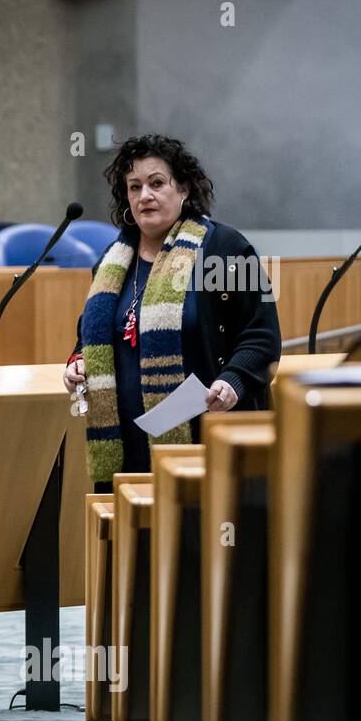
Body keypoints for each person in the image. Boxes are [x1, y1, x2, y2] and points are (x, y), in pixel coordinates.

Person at [65, 134, 282, 489]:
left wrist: (233, 380)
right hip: (127, 451)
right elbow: (89, 337)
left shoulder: (225, 250)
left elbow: (262, 336)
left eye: (156, 183)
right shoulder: (112, 261)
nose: (144, 196)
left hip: (208, 439)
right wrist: (77, 363)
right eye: (134, 187)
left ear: (183, 190)